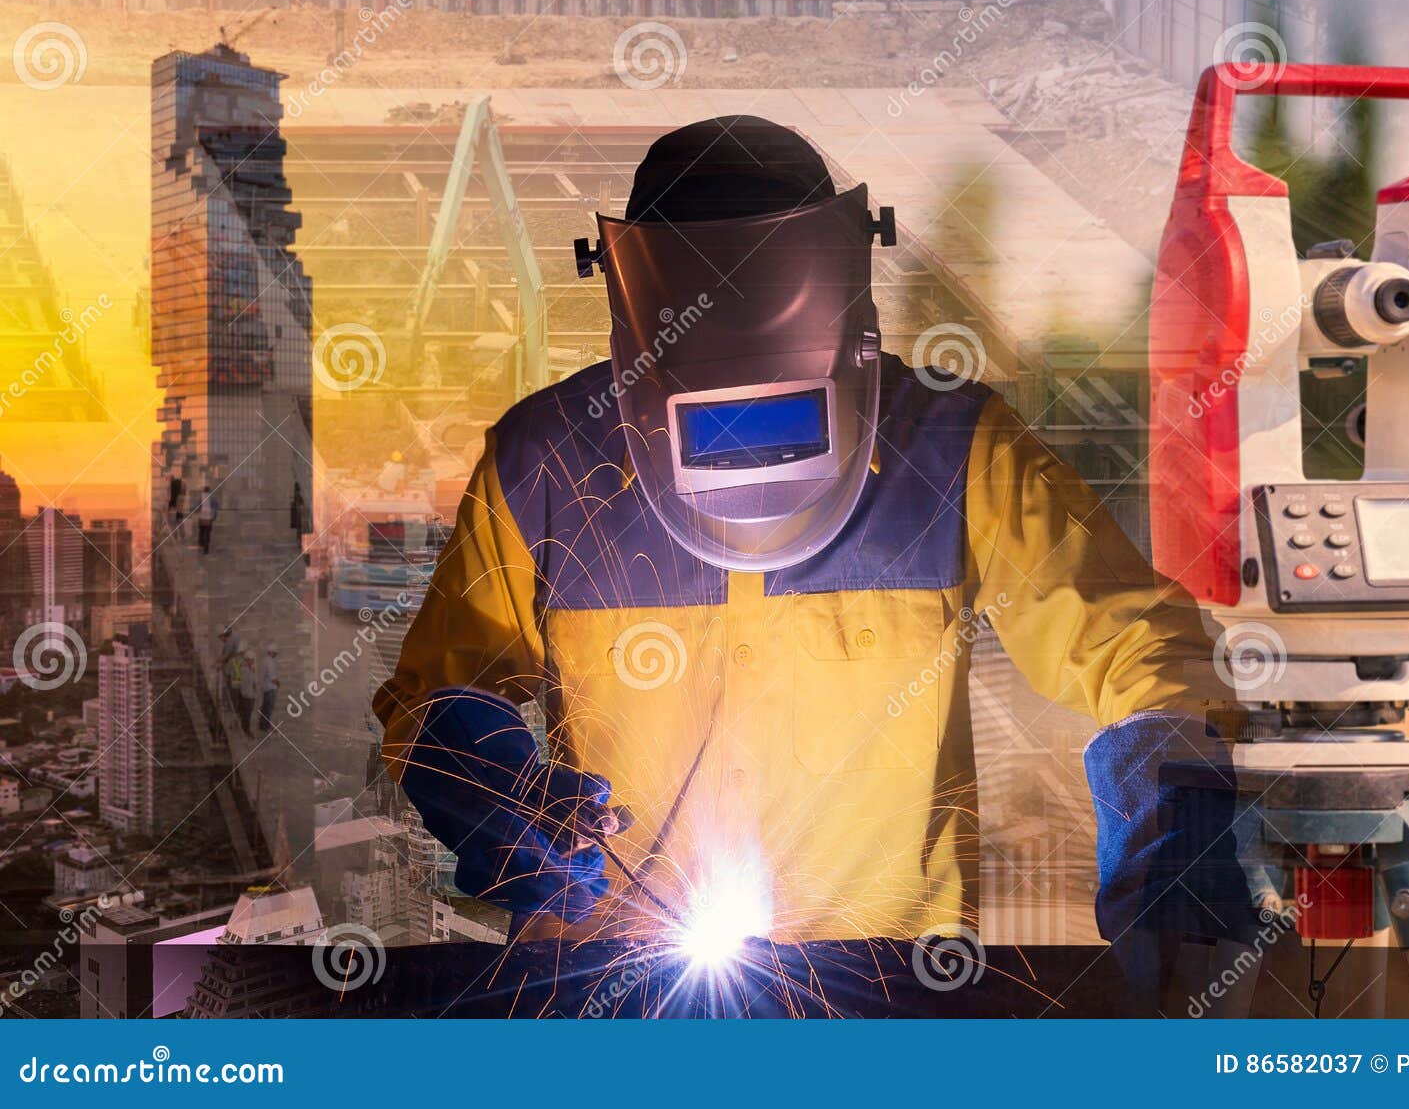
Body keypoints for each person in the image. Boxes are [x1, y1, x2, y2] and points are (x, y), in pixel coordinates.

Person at [374, 117, 1221, 943]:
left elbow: (1140, 647)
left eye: (782, 420)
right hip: (610, 983)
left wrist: (1170, 807)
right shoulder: (543, 464)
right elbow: (436, 693)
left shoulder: (956, 447)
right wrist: (488, 789)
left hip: (885, 985)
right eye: (714, 426)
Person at [256, 644, 279, 733]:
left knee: (265, 708)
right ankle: (266, 726)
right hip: (270, 688)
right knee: (268, 708)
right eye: (275, 653)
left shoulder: (264, 661)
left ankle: (263, 725)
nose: (276, 655)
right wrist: (278, 683)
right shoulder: (270, 662)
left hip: (265, 688)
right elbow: (272, 677)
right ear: (272, 653)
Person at [195, 486, 218, 555]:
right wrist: (214, 516)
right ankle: (206, 548)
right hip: (209, 517)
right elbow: (215, 507)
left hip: (202, 517)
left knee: (201, 531)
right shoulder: (213, 497)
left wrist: (198, 513)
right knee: (207, 532)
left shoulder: (200, 497)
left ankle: (201, 543)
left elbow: (197, 507)